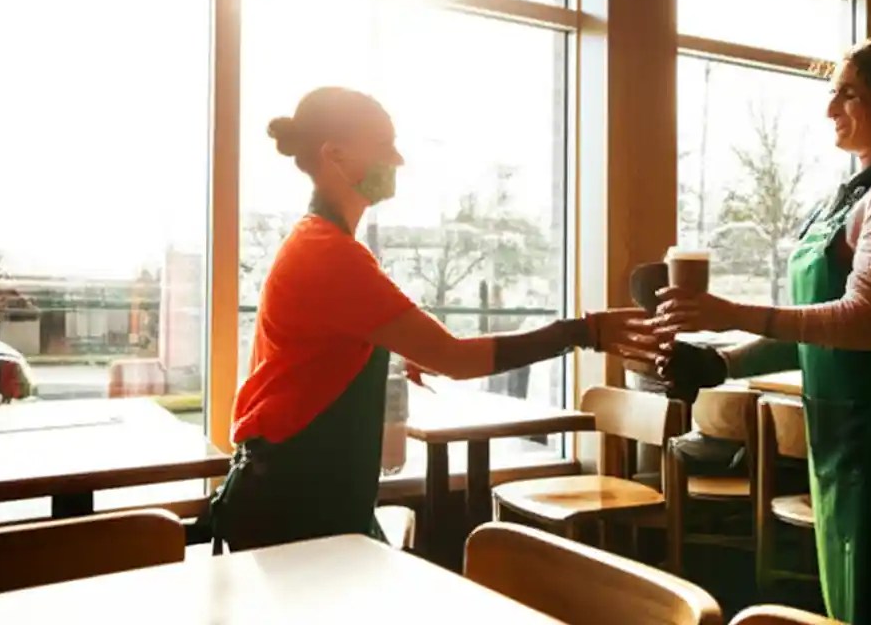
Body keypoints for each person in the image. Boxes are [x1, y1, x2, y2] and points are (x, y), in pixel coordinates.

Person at [209, 86, 651, 553]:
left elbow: (335, 353)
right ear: (334, 155)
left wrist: (387, 358)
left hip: (289, 488)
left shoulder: (316, 241)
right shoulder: (330, 256)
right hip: (295, 506)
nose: (396, 160)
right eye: (383, 146)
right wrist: (581, 332)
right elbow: (455, 359)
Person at [650, 40, 871, 623]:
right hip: (843, 429)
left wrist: (731, 313)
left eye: (848, 93)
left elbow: (864, 323)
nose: (831, 109)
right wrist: (721, 363)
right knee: (845, 598)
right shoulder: (844, 198)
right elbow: (818, 325)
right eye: (833, 92)